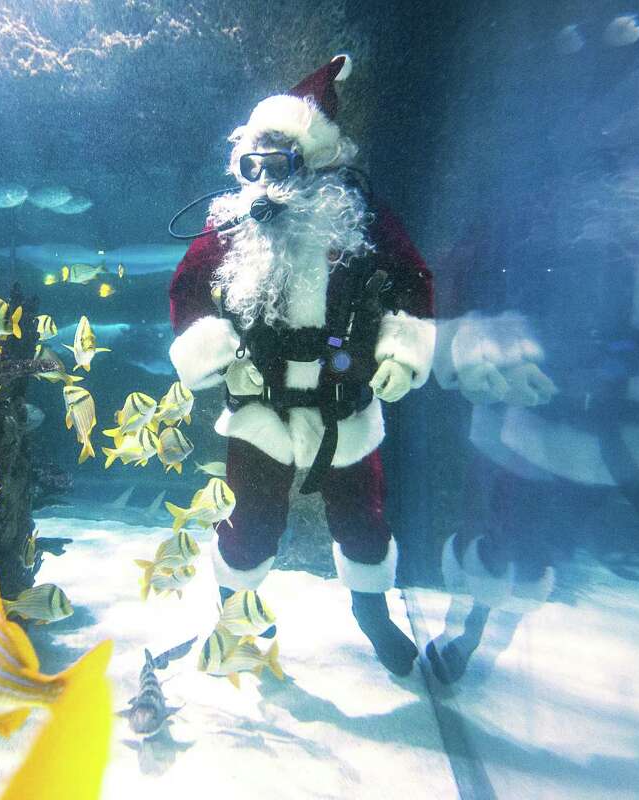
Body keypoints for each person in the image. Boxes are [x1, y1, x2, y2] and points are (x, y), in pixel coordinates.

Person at [167, 55, 435, 674]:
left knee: (363, 520)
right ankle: (234, 615)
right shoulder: (229, 225)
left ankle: (372, 613)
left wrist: (401, 349)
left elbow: (410, 278)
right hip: (261, 407)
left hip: (344, 406)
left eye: (278, 164)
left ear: (313, 163)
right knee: (250, 523)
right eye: (249, 166)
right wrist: (217, 354)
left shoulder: (360, 216)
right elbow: (188, 291)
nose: (262, 181)